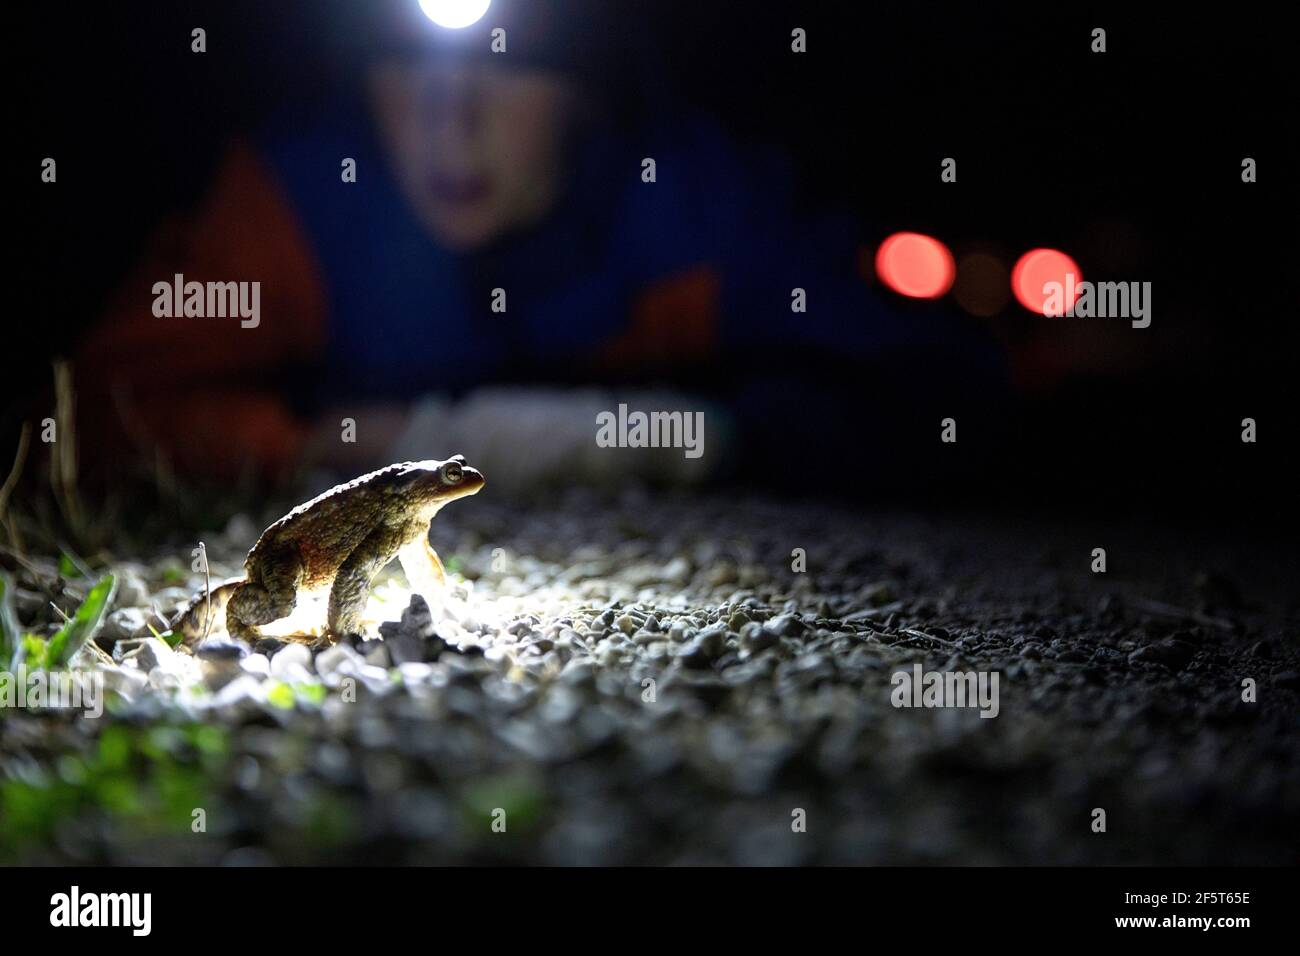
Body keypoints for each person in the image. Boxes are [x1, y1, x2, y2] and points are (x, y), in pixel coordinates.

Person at [75, 0, 1005, 495]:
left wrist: (691, 438)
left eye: (508, 63)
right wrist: (344, 442)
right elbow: (87, 417)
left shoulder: (683, 200)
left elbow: (941, 390)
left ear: (591, 92)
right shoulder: (302, 200)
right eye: (408, 59)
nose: (451, 118)